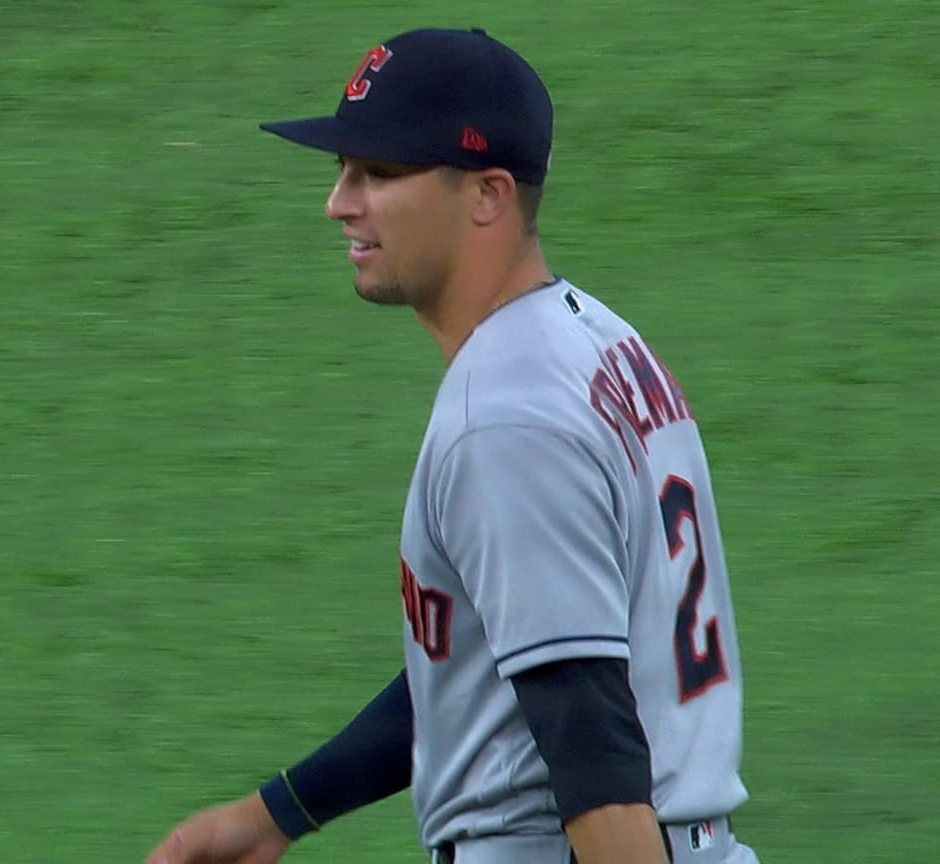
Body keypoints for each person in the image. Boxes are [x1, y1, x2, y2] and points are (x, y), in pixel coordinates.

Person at [146, 27, 758, 864]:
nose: (339, 203)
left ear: (487, 194)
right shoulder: (597, 342)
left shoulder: (506, 418)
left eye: (379, 173)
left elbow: (592, 750)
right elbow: (500, 665)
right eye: (344, 170)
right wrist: (278, 812)